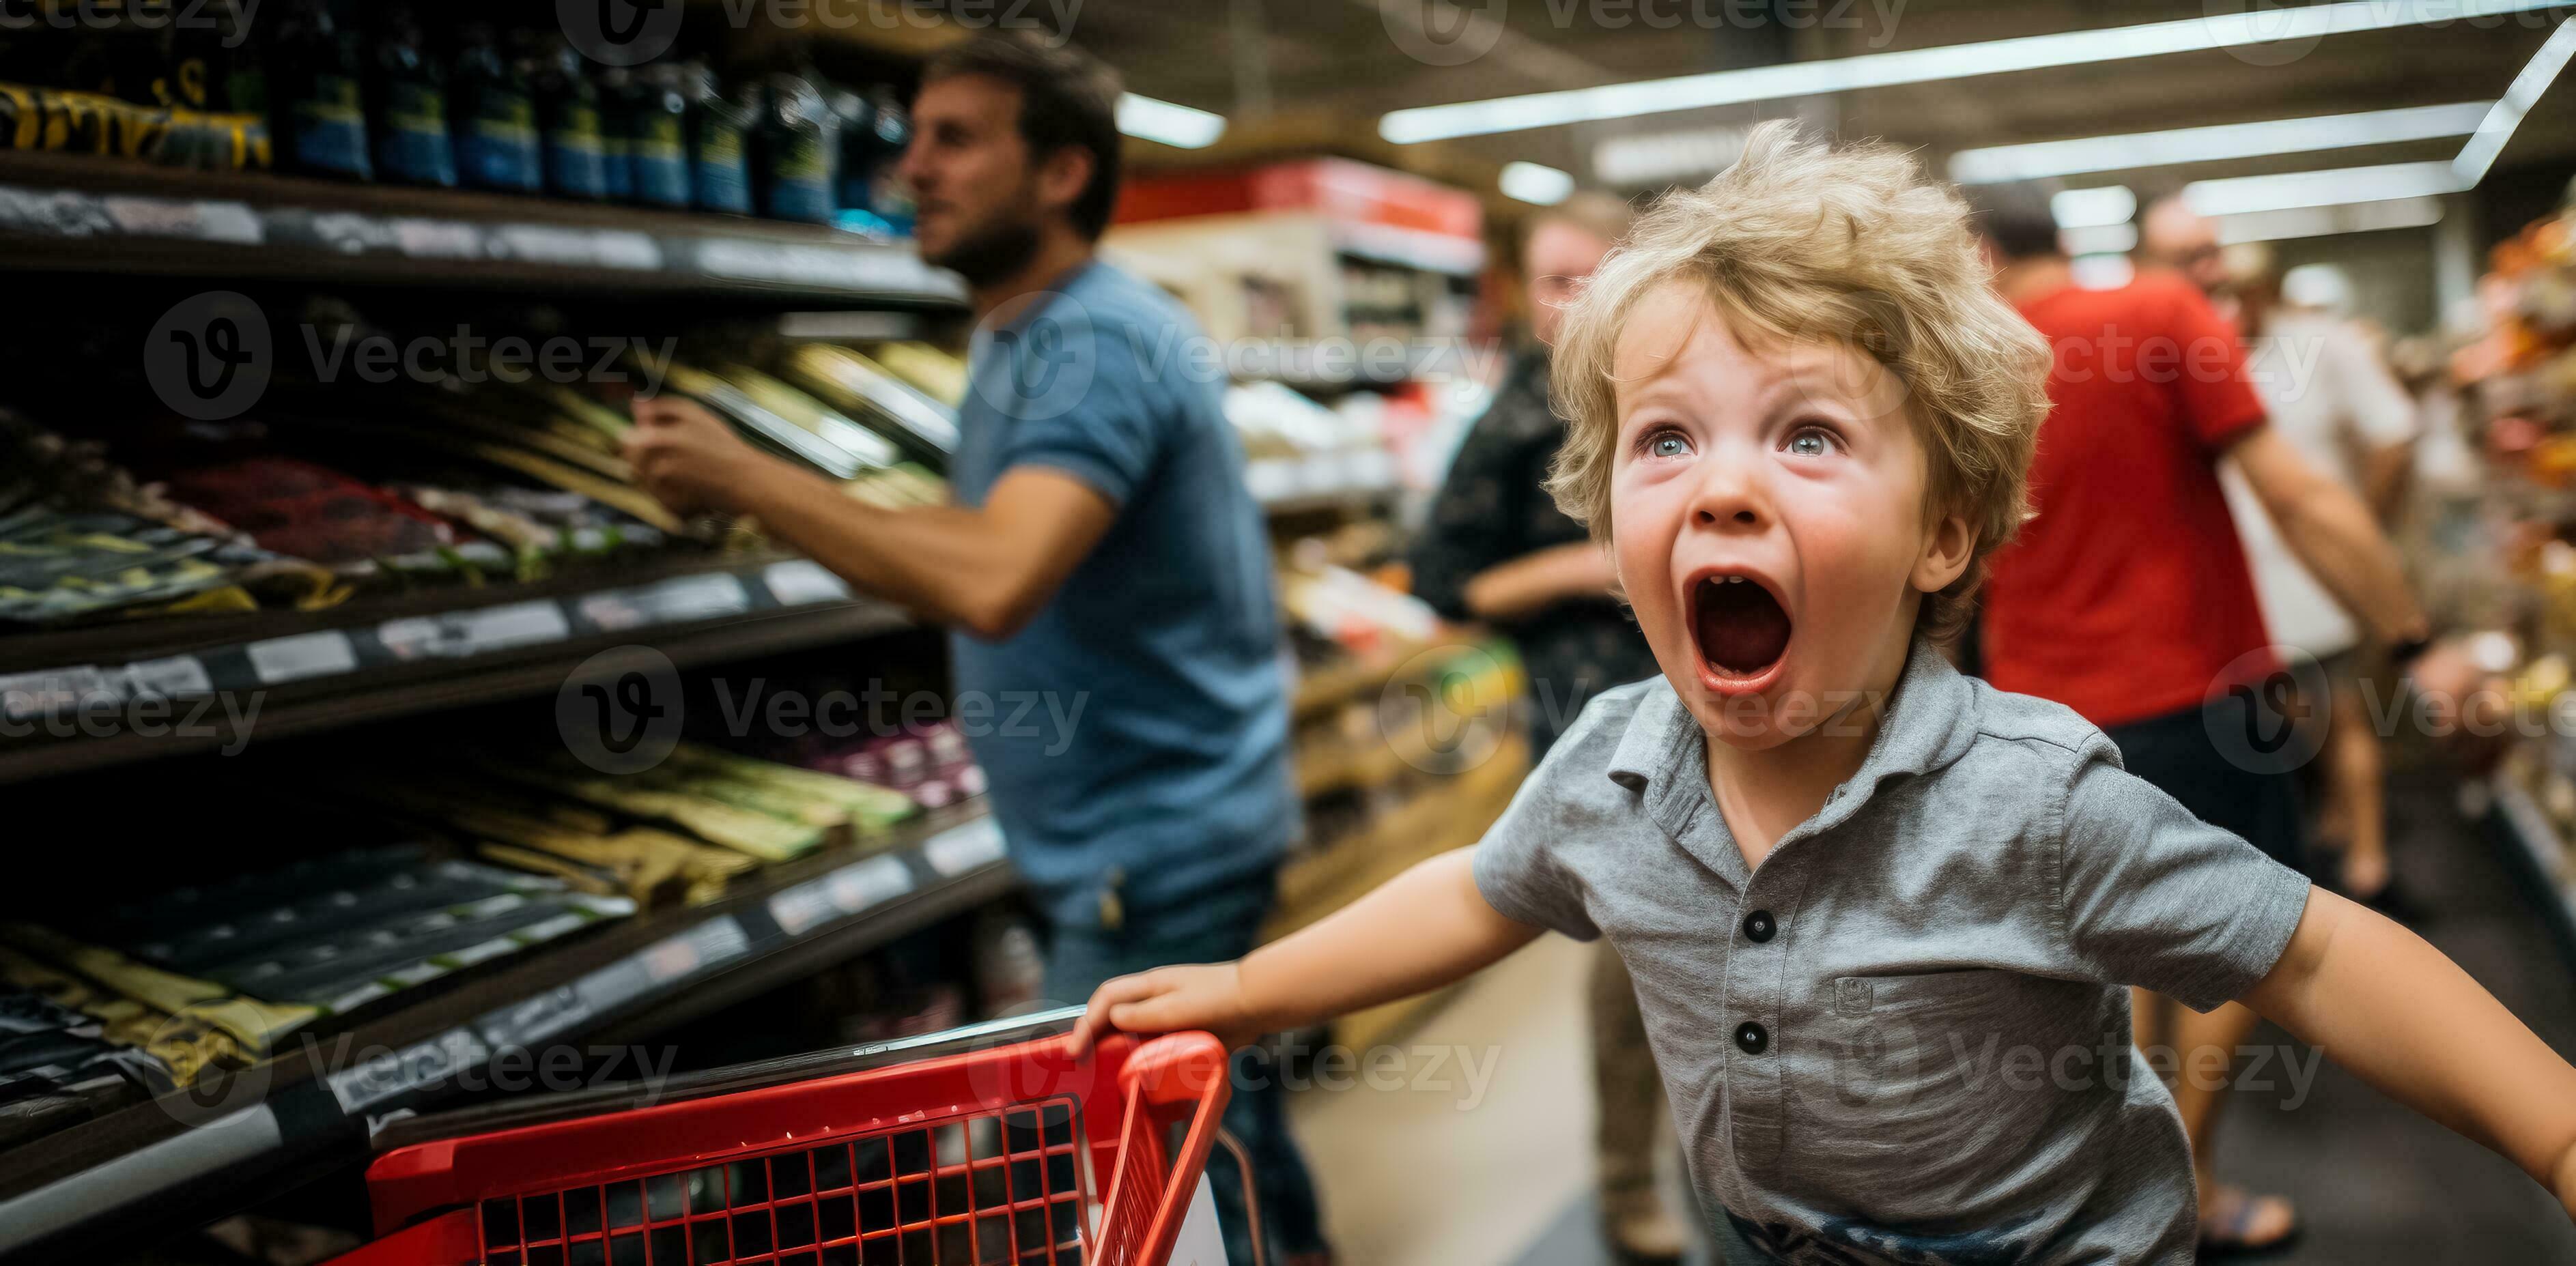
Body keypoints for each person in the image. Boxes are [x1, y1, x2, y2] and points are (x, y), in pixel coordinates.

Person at [1066, 124, 2576, 1263]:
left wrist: (2551, 1127)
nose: (1719, 486)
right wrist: (1250, 989)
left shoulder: (2029, 801)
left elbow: (2306, 958)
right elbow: (1482, 887)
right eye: (1664, 442)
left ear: (1941, 534)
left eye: (1802, 437)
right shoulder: (1608, 767)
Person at [620, 33, 1328, 1266]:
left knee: (1167, 1168)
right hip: (1141, 832)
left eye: (956, 138)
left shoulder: (1091, 343)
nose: (912, 170)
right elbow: (984, 541)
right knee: (1219, 1126)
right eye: (913, 137)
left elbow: (996, 576)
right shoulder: (1023, 337)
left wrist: (745, 478)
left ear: (1059, 173)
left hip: (1149, 851)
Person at [1975, 186, 2433, 1254]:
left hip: (2038, 713)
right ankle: (2189, 1178)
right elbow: (2301, 497)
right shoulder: (2160, 314)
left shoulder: (1968, 367)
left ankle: (2117, 1196)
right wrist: (2408, 636)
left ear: (1979, 252)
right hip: (2196, 692)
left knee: (2115, 957)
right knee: (2245, 942)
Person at [1411, 192, 1686, 1266]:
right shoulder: (1516, 417)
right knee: (1644, 956)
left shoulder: (1672, 382)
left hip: (1723, 704)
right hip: (1599, 729)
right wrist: (1582, 564)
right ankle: (1630, 1189)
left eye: (1593, 276)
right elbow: (1446, 581)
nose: (1571, 305)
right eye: (1552, 281)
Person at [2218, 253, 2420, 906]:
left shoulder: (2320, 345)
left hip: (2314, 574)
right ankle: (2333, 841)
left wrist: (2360, 526)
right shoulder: (2202, 353)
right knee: (2291, 721)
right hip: (2242, 582)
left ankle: (2368, 863)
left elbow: (2394, 434)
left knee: (2344, 717)